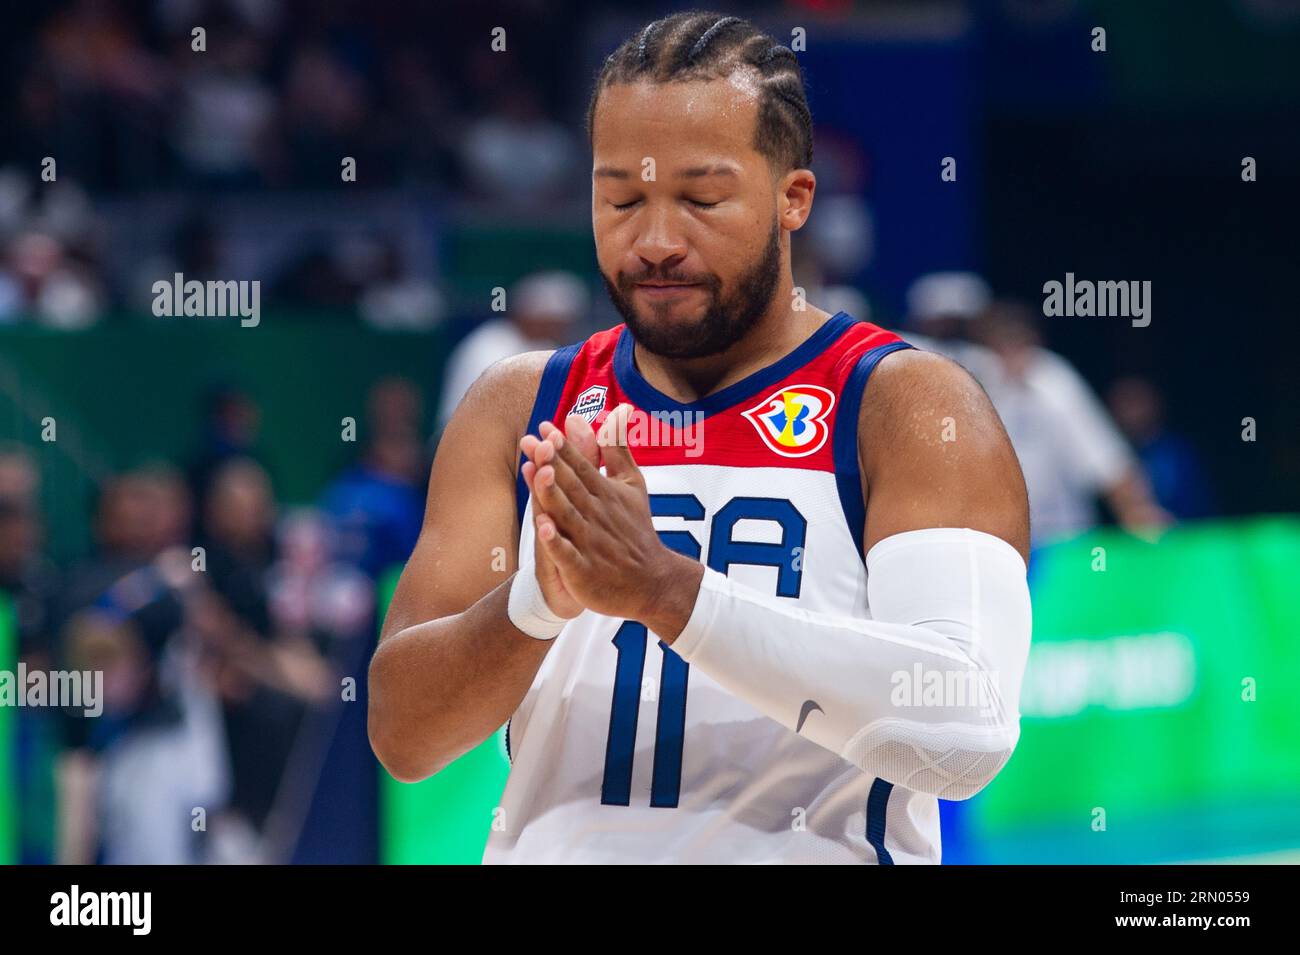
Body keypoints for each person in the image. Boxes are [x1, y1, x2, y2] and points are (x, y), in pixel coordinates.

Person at [370, 12, 1032, 865]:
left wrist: (668, 594)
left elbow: (965, 730)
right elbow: (402, 735)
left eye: (700, 198)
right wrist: (536, 602)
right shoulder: (519, 402)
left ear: (794, 198)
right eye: (621, 199)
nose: (654, 241)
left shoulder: (906, 406)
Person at [435, 270, 588, 435]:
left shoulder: (548, 346)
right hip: (463, 438)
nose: (558, 329)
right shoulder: (489, 344)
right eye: (551, 321)